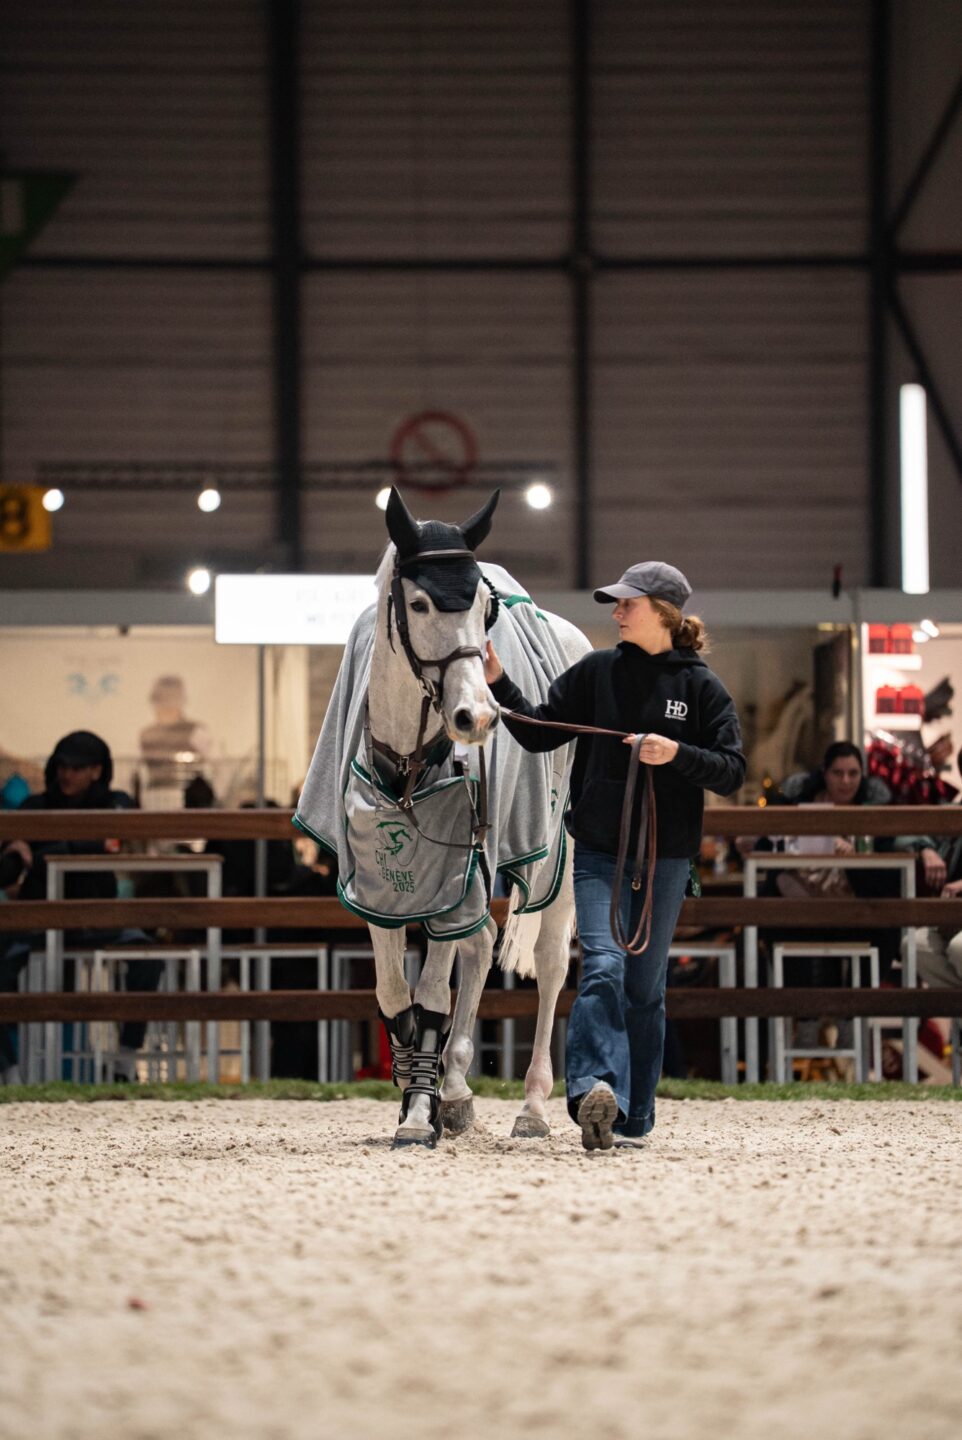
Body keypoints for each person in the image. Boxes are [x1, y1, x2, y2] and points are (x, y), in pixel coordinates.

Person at [484, 560, 745, 1151]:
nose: (616, 611)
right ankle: (594, 1086)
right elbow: (539, 729)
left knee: (645, 992)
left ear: (664, 614)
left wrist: (676, 753)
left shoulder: (703, 688)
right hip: (599, 850)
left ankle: (634, 1117)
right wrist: (500, 682)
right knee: (602, 962)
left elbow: (732, 771)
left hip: (667, 859)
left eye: (628, 603)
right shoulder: (597, 672)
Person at [0, 731, 159, 1084]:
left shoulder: (113, 802)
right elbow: (7, 869)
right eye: (62, 766)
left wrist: (38, 856)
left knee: (146, 957)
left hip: (95, 921)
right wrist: (17, 855)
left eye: (77, 767)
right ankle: (9, 1072)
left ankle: (124, 1062)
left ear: (97, 770)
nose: (66, 774)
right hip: (38, 925)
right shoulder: (34, 807)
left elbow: (113, 837)